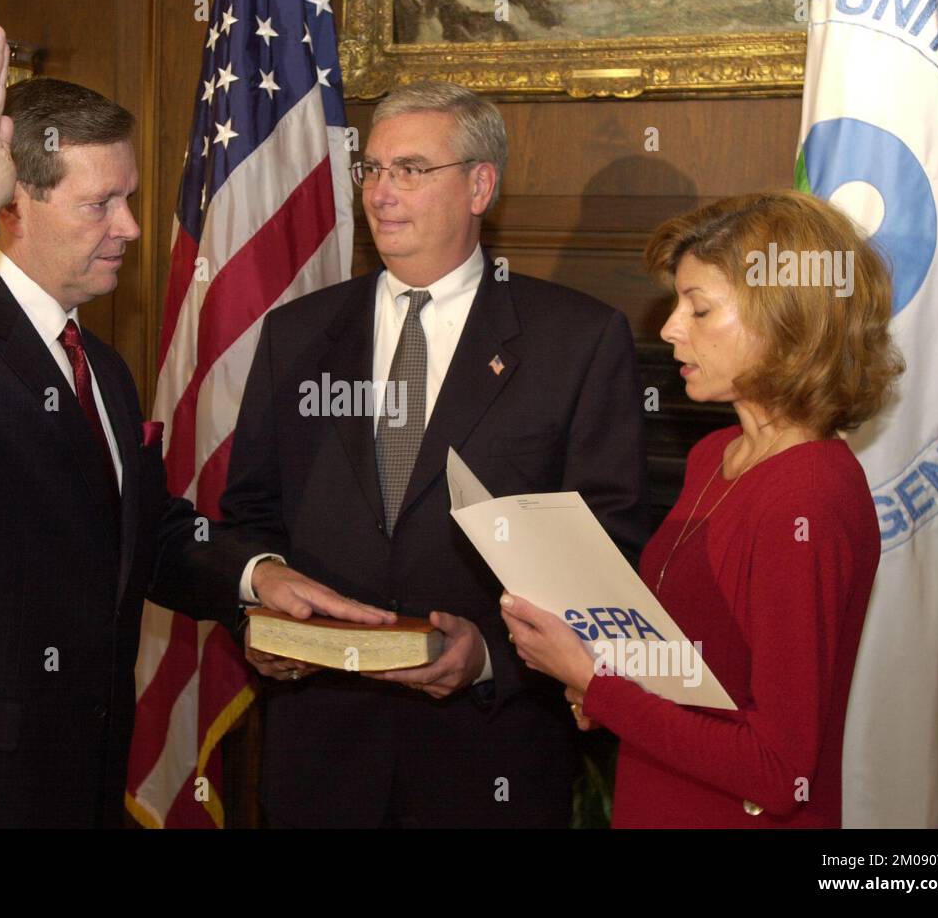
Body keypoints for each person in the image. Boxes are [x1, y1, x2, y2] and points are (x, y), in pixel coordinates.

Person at [0, 27, 385, 828]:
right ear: (14, 206)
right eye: (99, 205)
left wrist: (256, 577)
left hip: (80, 780)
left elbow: (138, 536)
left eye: (130, 198)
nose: (131, 228)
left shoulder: (102, 368)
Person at [199, 80, 650, 827]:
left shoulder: (574, 340)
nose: (381, 193)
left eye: (410, 170)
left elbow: (609, 551)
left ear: (480, 185)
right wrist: (259, 622)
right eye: (370, 170)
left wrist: (491, 662)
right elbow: (250, 516)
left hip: (486, 757)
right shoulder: (298, 334)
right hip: (320, 754)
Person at [501, 190, 904, 828]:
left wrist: (601, 688)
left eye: (701, 308)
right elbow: (702, 669)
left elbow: (780, 772)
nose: (668, 328)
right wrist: (600, 676)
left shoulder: (808, 498)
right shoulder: (716, 454)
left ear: (788, 319)